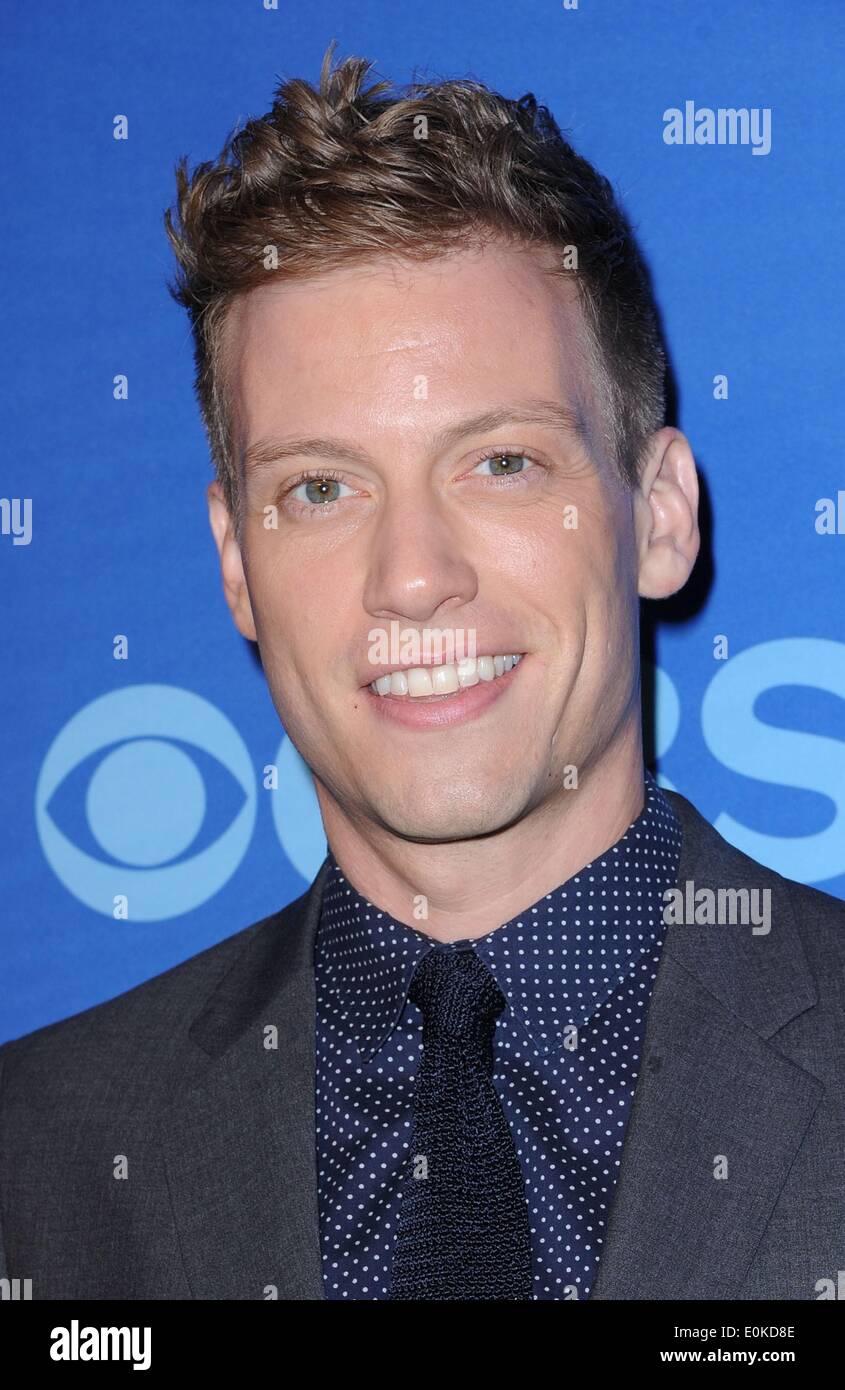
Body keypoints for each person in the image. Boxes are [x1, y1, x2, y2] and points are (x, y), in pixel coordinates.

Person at [1, 42, 843, 1302]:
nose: (409, 575)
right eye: (321, 487)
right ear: (236, 561)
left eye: (499, 462)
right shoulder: (36, 1156)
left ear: (657, 512)